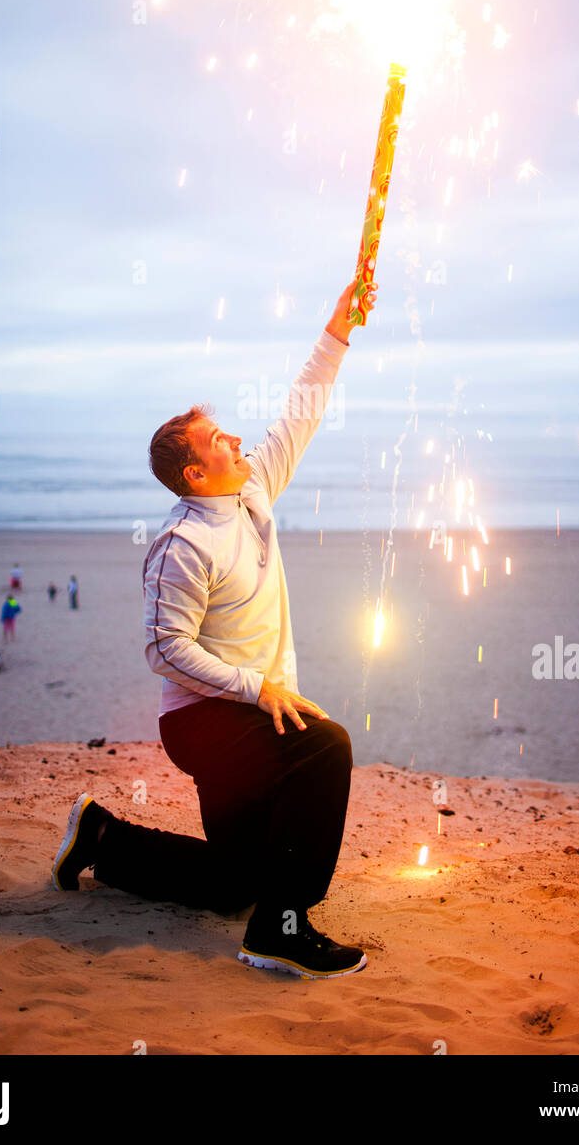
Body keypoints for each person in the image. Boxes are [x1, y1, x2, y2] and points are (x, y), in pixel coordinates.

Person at [52, 277, 376, 979]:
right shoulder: (182, 546)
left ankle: (102, 838)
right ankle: (281, 933)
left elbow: (302, 411)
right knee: (325, 748)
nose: (235, 437)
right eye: (217, 438)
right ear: (195, 473)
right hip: (204, 720)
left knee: (237, 879)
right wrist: (256, 689)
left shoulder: (253, 489)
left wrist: (338, 328)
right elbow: (165, 650)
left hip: (249, 708)